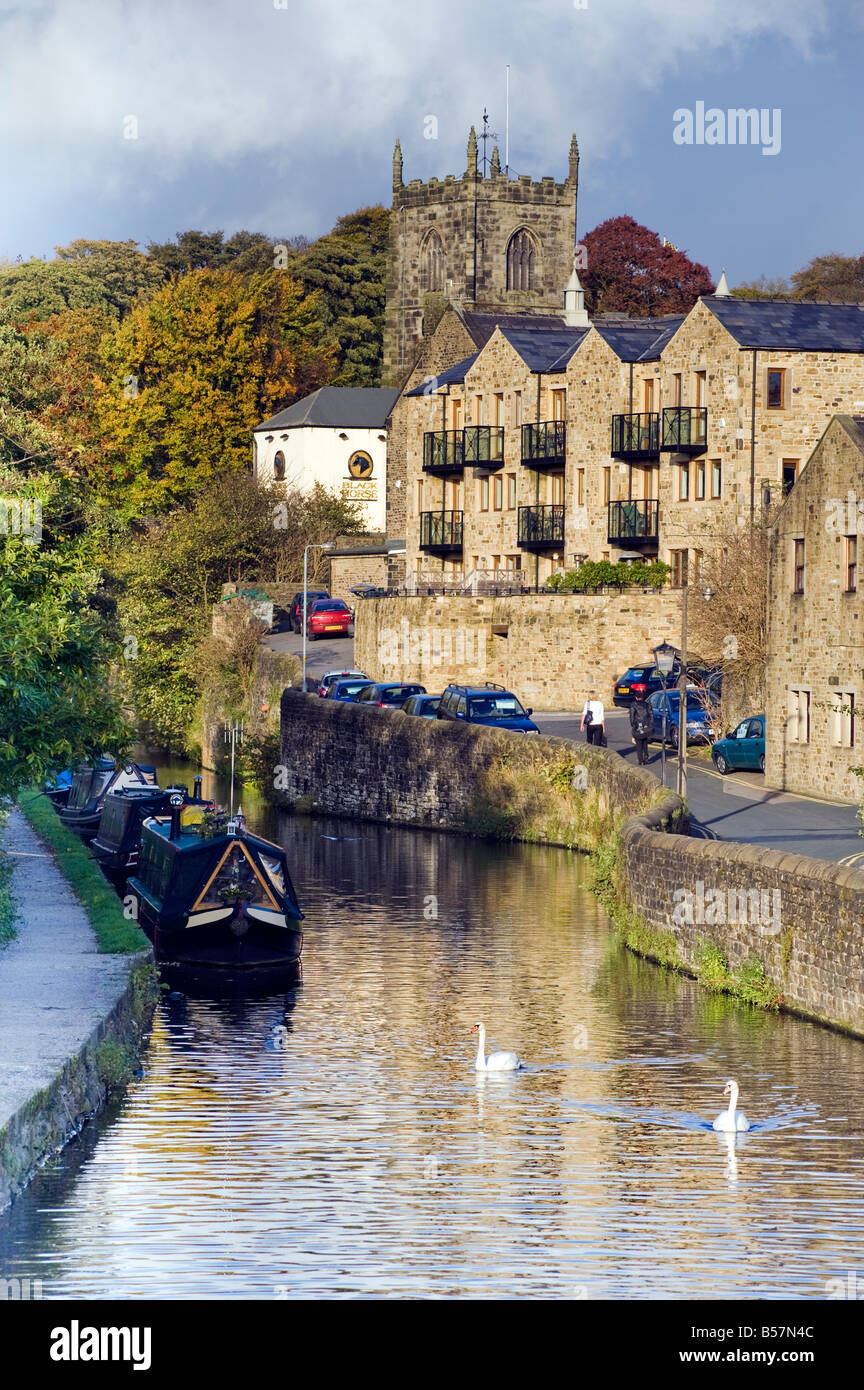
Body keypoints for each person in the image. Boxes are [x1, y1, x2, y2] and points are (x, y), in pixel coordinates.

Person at [629, 692, 653, 765]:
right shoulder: (647, 705)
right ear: (642, 697)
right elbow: (651, 715)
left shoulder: (633, 705)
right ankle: (646, 758)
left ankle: (641, 760)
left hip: (637, 727)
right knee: (645, 742)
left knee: (639, 744)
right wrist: (650, 725)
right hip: (646, 727)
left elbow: (632, 716)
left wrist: (633, 725)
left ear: (636, 697)